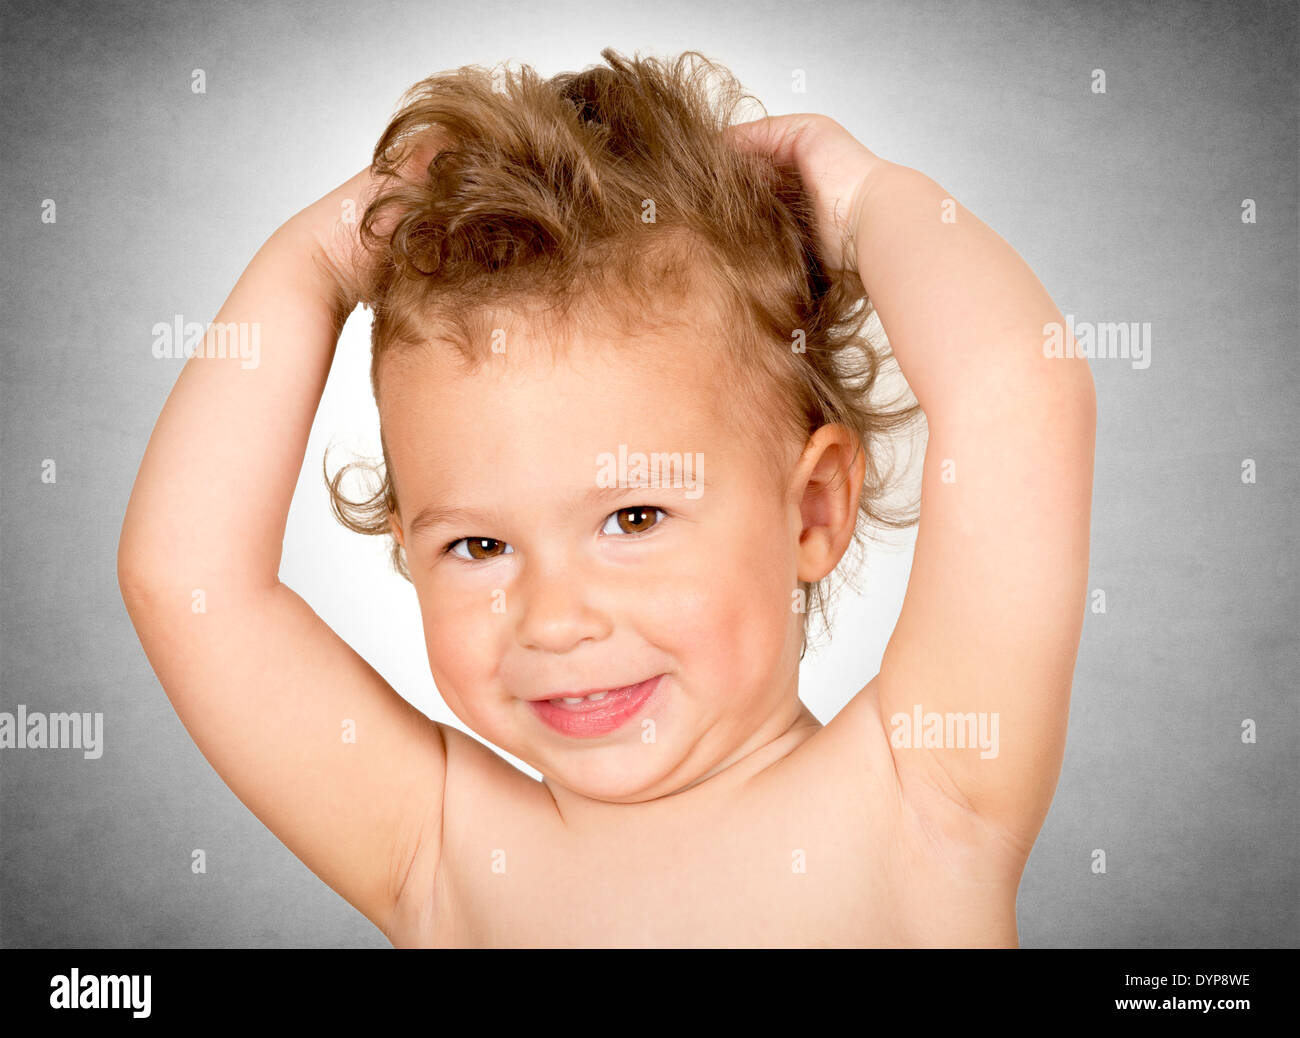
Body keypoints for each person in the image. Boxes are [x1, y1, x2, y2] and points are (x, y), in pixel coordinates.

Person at [118, 49, 1096, 947]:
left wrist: (867, 196)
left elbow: (1019, 392)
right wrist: (316, 259)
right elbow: (188, 583)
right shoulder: (439, 849)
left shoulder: (924, 795)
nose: (553, 620)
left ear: (812, 512)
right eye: (478, 548)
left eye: (633, 518)